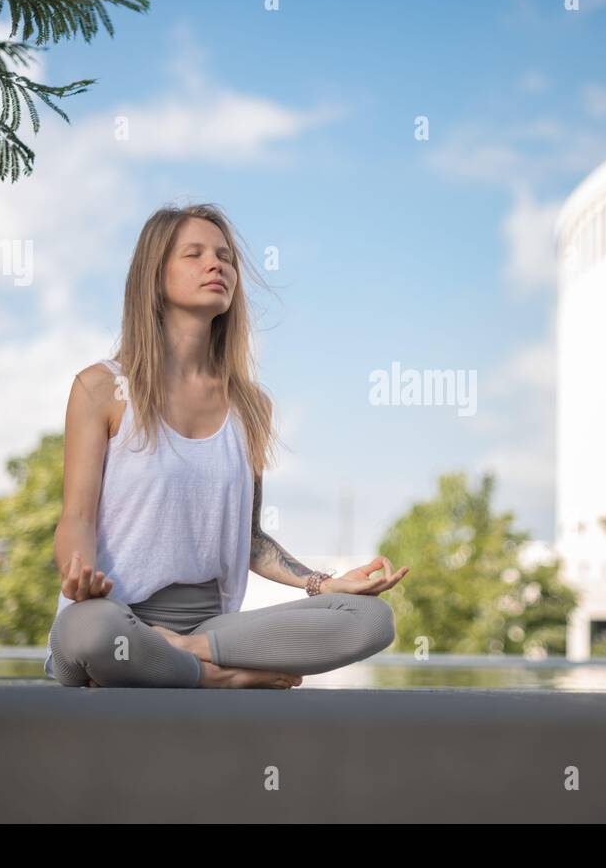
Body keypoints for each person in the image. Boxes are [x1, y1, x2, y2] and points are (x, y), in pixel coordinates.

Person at [45, 203, 407, 689]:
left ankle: (183, 657)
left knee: (371, 620)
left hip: (210, 626)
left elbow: (250, 537)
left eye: (225, 257)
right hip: (115, 616)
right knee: (88, 633)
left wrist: (323, 583)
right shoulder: (100, 388)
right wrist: (78, 575)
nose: (216, 265)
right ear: (154, 277)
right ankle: (218, 679)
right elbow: (78, 518)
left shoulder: (251, 405)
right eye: (193, 254)